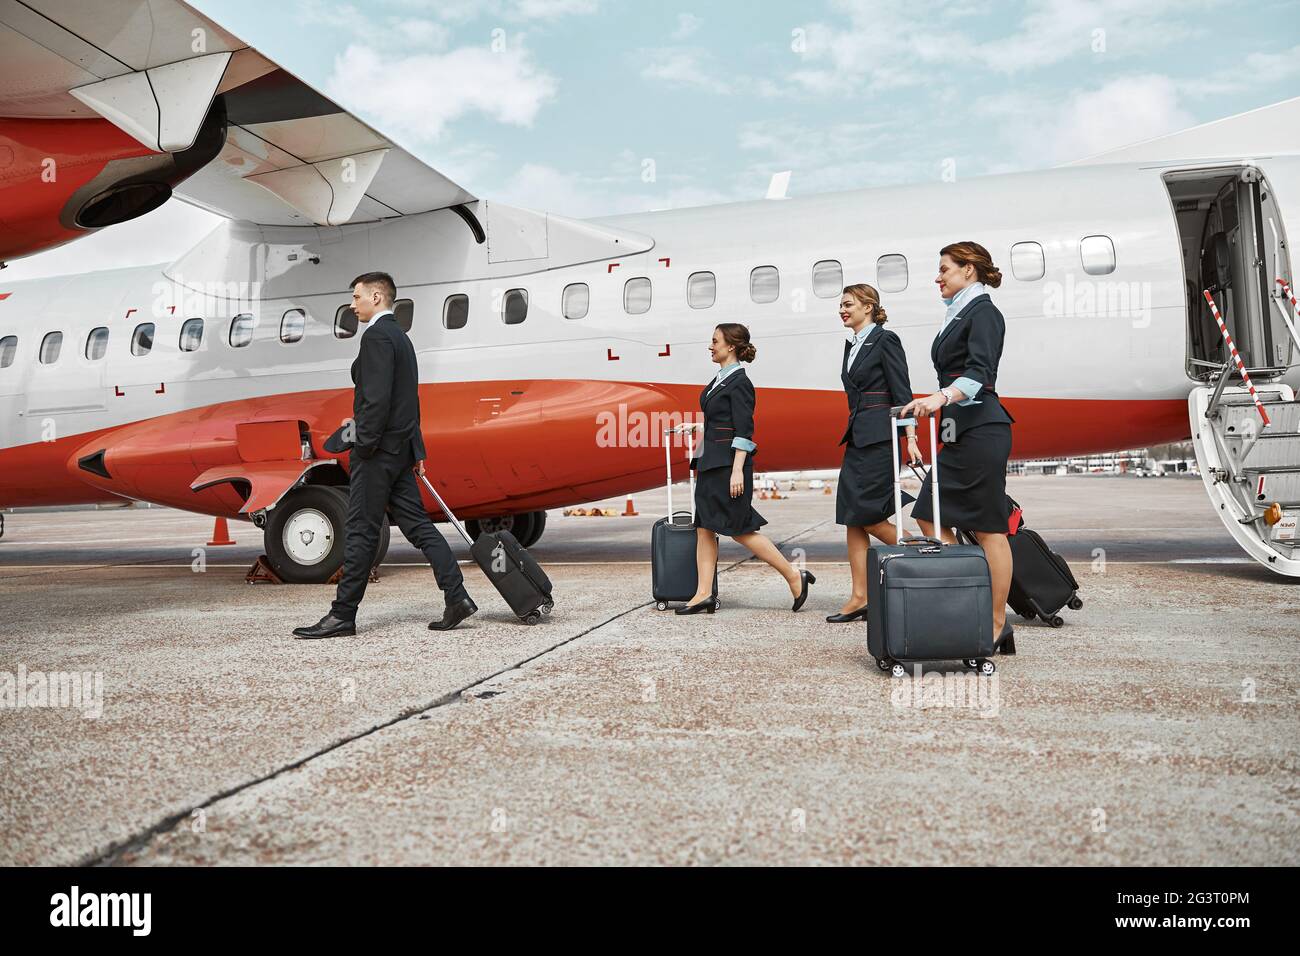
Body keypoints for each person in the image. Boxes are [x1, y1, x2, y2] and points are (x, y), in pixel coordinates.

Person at [293, 272, 476, 639]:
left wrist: (364, 443)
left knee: (360, 530)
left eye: (357, 297)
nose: (352, 304)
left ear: (376, 297)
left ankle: (342, 615)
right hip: (399, 452)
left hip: (376, 455)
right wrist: (416, 450)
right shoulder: (402, 339)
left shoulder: (376, 336)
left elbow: (376, 402)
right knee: (418, 526)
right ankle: (457, 597)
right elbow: (408, 402)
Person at [901, 242, 1016, 653]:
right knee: (927, 516)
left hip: (982, 429)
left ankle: (997, 621)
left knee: (989, 528)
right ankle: (971, 586)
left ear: (969, 270)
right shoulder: (959, 313)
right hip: (957, 431)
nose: (938, 277)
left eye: (944, 269)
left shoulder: (984, 312)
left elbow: (980, 374)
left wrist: (941, 397)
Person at [676, 323, 815, 615]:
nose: (710, 346)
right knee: (704, 528)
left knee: (741, 529)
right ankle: (703, 594)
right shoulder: (721, 379)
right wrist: (699, 426)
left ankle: (794, 576)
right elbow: (722, 421)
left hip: (728, 465)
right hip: (711, 461)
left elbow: (744, 430)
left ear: (731, 346)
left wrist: (738, 469)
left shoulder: (740, 382)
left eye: (715, 341)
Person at [829, 284, 921, 623]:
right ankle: (859, 596)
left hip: (882, 437)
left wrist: (910, 436)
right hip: (857, 437)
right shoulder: (850, 345)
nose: (842, 309)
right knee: (851, 515)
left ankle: (921, 555)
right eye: (841, 305)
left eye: (848, 304)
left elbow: (902, 390)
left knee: (868, 515)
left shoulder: (885, 339)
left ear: (869, 307)